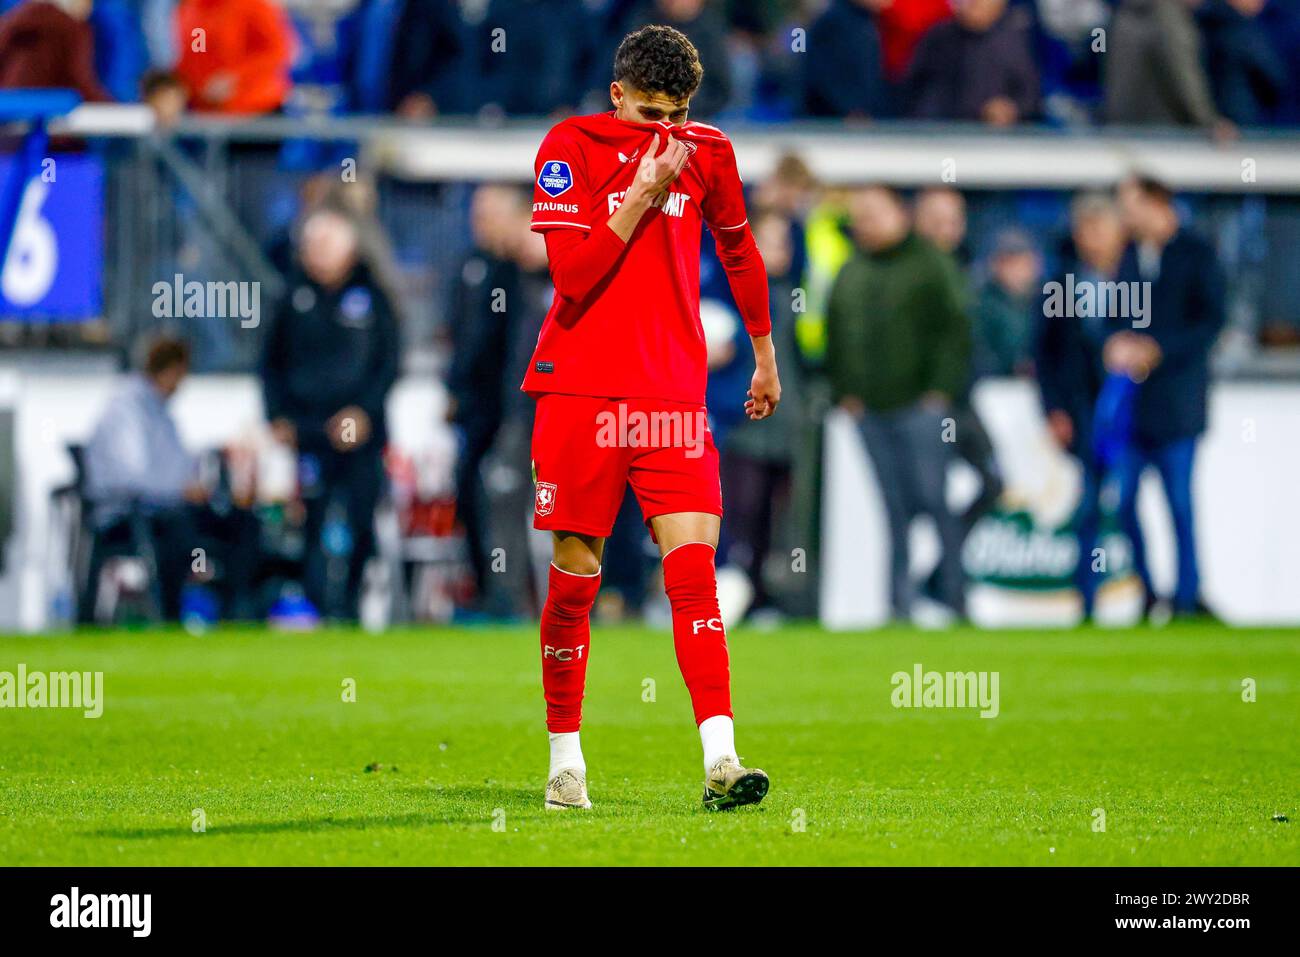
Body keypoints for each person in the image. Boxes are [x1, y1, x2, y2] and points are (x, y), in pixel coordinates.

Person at [524, 25, 780, 812]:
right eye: (646, 113)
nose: (662, 132)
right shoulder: (569, 145)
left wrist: (765, 352)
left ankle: (722, 759)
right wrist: (638, 191)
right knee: (576, 580)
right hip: (580, 391)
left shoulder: (708, 150)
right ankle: (566, 760)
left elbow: (738, 249)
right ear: (616, 95)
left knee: (694, 573)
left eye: (675, 115)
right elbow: (571, 279)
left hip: (670, 393)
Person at [825, 185, 970, 620]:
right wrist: (844, 392)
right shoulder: (850, 270)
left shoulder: (930, 263)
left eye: (874, 213)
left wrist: (939, 391)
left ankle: (954, 597)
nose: (865, 223)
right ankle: (899, 604)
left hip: (920, 408)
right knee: (894, 509)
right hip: (869, 411)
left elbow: (956, 328)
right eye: (860, 215)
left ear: (899, 214)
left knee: (934, 501)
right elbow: (834, 335)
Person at [260, 202, 400, 622]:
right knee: (311, 521)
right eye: (310, 244)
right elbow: (270, 364)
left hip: (361, 434)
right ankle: (314, 603)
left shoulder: (374, 299)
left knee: (360, 518)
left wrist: (364, 414)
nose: (315, 251)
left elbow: (388, 366)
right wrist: (277, 415)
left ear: (349, 248)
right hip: (309, 433)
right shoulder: (292, 296)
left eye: (325, 243)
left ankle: (352, 604)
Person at [1107, 175, 1226, 618]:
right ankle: (1148, 592)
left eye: (1130, 204)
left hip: (1179, 407)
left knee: (1179, 505)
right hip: (1133, 410)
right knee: (1123, 504)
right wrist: (1115, 343)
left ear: (1157, 203)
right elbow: (1112, 317)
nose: (1124, 214)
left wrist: (1158, 349)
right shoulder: (1129, 256)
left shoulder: (1196, 253)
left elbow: (1212, 322)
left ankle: (1187, 599)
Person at [83, 337, 258, 621]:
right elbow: (132, 476)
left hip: (165, 508)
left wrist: (214, 455)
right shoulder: (126, 408)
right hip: (126, 514)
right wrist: (181, 490)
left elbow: (177, 463)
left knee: (241, 521)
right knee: (184, 533)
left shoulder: (160, 410)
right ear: (171, 369)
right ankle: (171, 614)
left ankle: (237, 613)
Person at [1036, 192, 1128, 618]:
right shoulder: (1064, 283)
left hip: (1135, 415)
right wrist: (1054, 409)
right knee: (1090, 505)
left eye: (1100, 227)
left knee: (1131, 504)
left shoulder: (1139, 276)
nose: (1091, 238)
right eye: (1084, 229)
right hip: (1085, 411)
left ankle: (1158, 596)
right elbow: (1045, 352)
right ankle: (1087, 597)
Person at [446, 185, 526, 614]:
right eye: (477, 214)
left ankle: (513, 594)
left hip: (519, 408)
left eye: (491, 214)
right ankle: (486, 588)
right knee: (471, 492)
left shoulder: (527, 272)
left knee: (506, 496)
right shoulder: (470, 267)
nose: (481, 224)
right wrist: (454, 390)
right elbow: (462, 340)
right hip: (477, 407)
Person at [907, 0, 1040, 125]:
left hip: (993, 139)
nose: (974, 3)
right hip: (938, 135)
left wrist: (1010, 109)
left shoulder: (1015, 42)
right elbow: (914, 87)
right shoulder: (939, 37)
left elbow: (1030, 95)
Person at [174, 0, 293, 114]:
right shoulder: (191, 8)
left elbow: (277, 51)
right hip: (206, 110)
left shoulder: (252, 5)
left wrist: (236, 78)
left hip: (256, 108)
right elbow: (193, 54)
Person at [0, 0, 111, 102]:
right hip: (45, 110)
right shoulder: (71, 27)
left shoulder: (12, 21)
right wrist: (112, 108)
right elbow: (78, 80)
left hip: (8, 106)